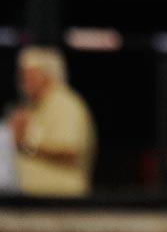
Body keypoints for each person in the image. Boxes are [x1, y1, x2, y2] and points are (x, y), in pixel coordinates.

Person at [2, 46, 97, 197]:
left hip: (61, 202)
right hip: (30, 201)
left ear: (46, 75)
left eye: (29, 75)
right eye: (22, 75)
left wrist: (25, 146)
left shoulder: (65, 104)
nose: (23, 81)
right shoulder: (31, 107)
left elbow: (70, 153)